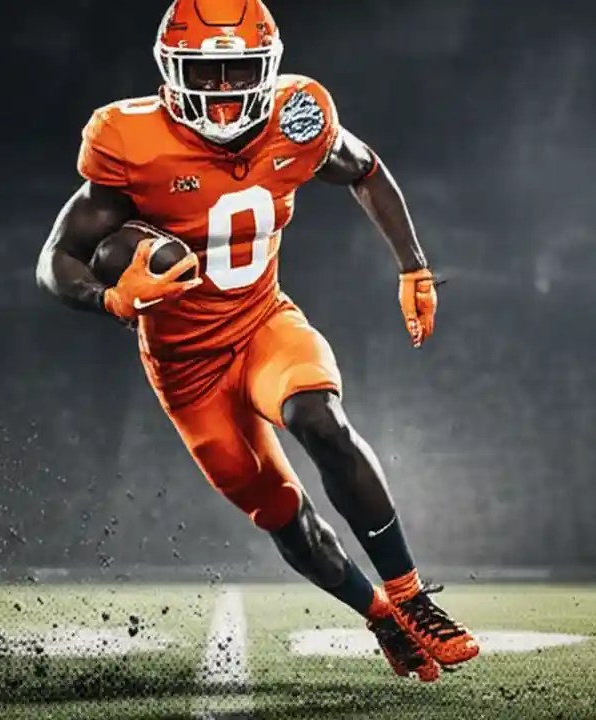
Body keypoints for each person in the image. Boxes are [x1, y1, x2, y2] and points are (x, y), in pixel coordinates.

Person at [36, 0, 477, 681]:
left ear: (266, 69)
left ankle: (411, 596)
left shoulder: (298, 116)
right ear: (169, 73)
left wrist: (413, 264)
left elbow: (364, 168)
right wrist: (110, 297)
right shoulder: (130, 140)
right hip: (186, 368)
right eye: (203, 74)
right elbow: (58, 257)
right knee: (281, 513)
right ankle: (379, 616)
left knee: (318, 418)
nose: (221, 91)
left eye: (237, 69)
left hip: (262, 320)